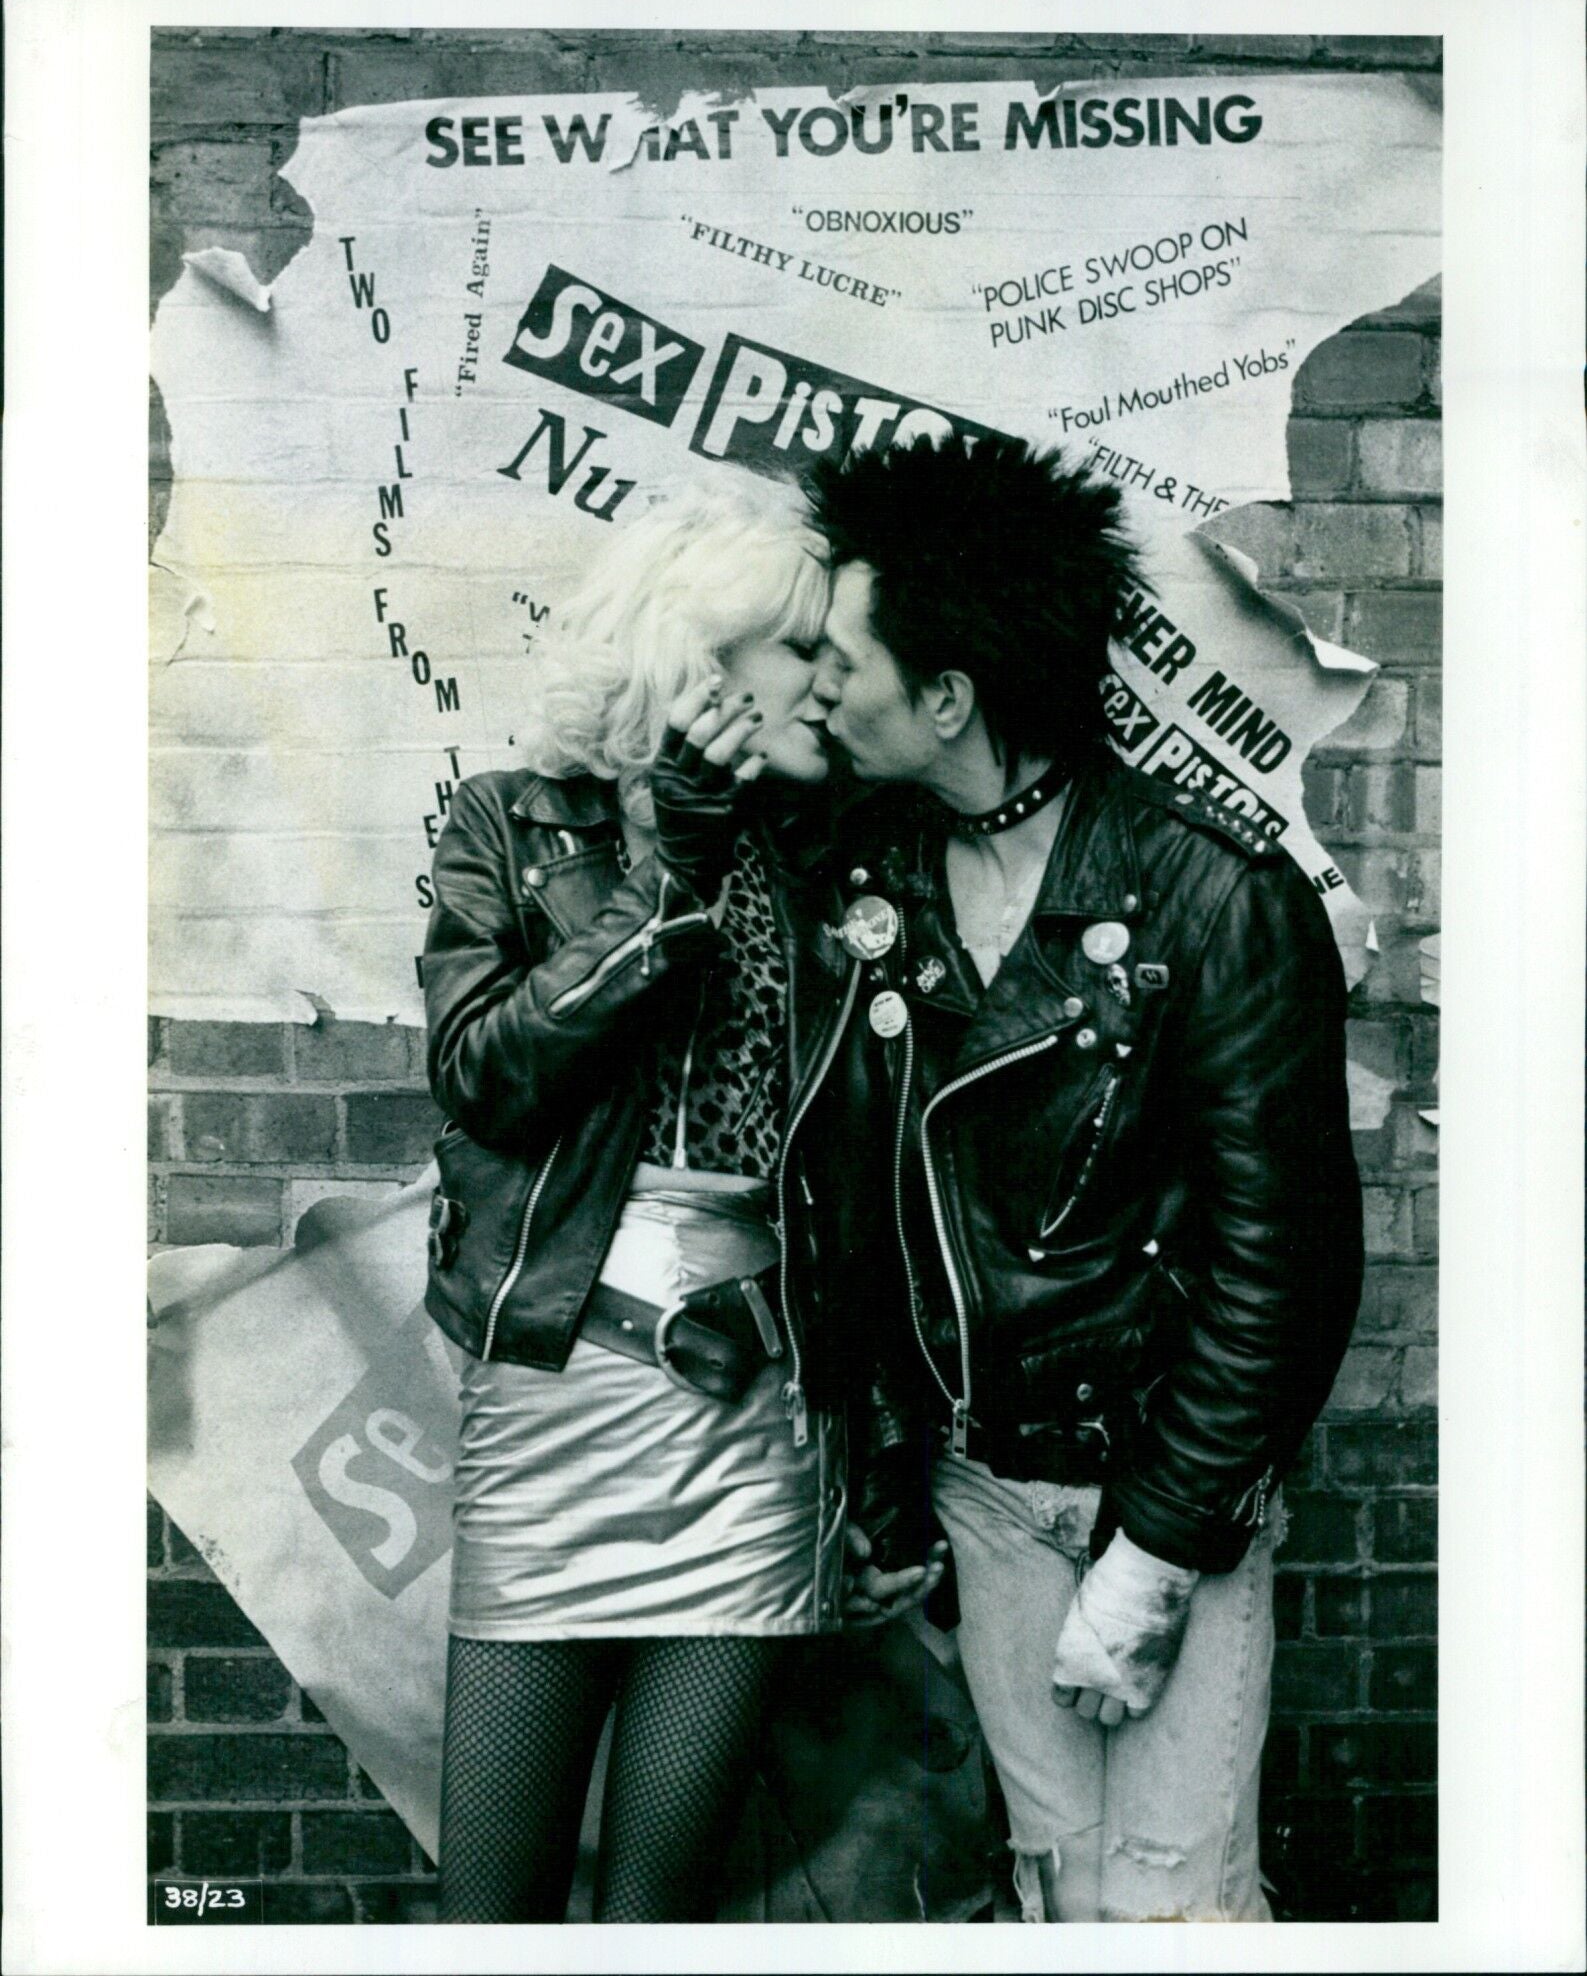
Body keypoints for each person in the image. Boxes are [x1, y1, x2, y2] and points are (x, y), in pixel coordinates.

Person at [800, 434, 1364, 1923]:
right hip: (985, 1491)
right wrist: (884, 1483)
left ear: (945, 697)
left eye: (836, 658)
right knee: (1056, 1891)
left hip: (1157, 1479)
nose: (811, 690)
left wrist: (1160, 1550)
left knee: (1171, 1906)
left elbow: (1279, 1267)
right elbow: (851, 1216)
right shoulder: (870, 885)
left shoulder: (1214, 898)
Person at [420, 482, 939, 1924]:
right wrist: (669, 875)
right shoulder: (508, 826)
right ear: (699, 659)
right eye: (794, 651)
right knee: (494, 1914)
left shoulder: (829, 862)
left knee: (666, 1914)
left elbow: (869, 1183)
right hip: (557, 1404)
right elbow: (486, 1078)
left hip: (749, 1425)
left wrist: (876, 1457)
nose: (827, 681)